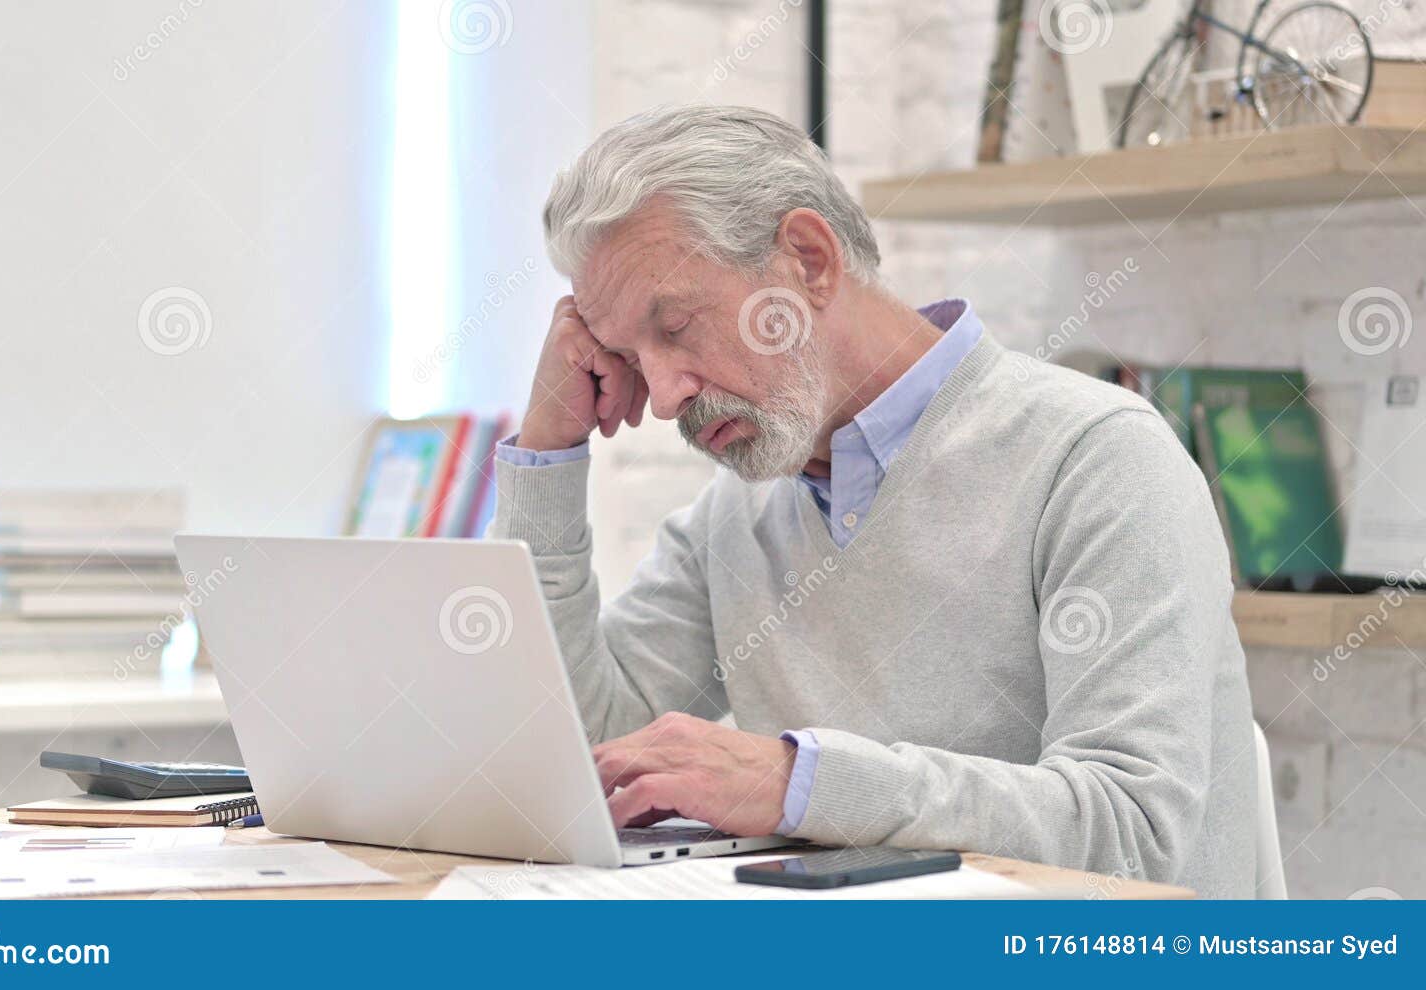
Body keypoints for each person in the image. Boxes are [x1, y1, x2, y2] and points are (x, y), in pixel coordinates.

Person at [489, 104, 1255, 897]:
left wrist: (801, 781)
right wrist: (548, 449)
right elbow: (584, 757)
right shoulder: (737, 516)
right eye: (628, 358)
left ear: (809, 261)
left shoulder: (1097, 457)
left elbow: (1134, 833)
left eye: (677, 326)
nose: (662, 396)